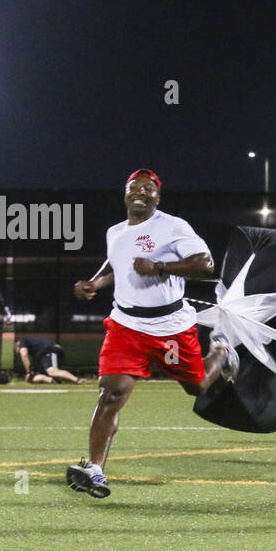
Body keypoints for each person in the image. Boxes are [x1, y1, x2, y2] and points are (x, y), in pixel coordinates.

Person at [66, 168, 238, 498]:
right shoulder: (115, 231)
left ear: (158, 197)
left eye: (148, 189)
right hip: (126, 326)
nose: (140, 193)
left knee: (198, 386)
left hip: (170, 328)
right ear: (125, 193)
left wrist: (160, 267)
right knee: (111, 394)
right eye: (135, 188)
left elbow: (206, 264)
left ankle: (221, 351)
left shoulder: (172, 227)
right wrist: (95, 283)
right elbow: (116, 263)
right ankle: (96, 470)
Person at [17, 335, 84, 383]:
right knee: (29, 379)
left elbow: (24, 355)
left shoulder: (22, 341)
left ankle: (77, 380)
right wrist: (31, 374)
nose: (17, 351)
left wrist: (29, 372)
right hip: (45, 355)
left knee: (52, 371)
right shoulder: (34, 349)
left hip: (50, 351)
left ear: (17, 344)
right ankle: (52, 380)